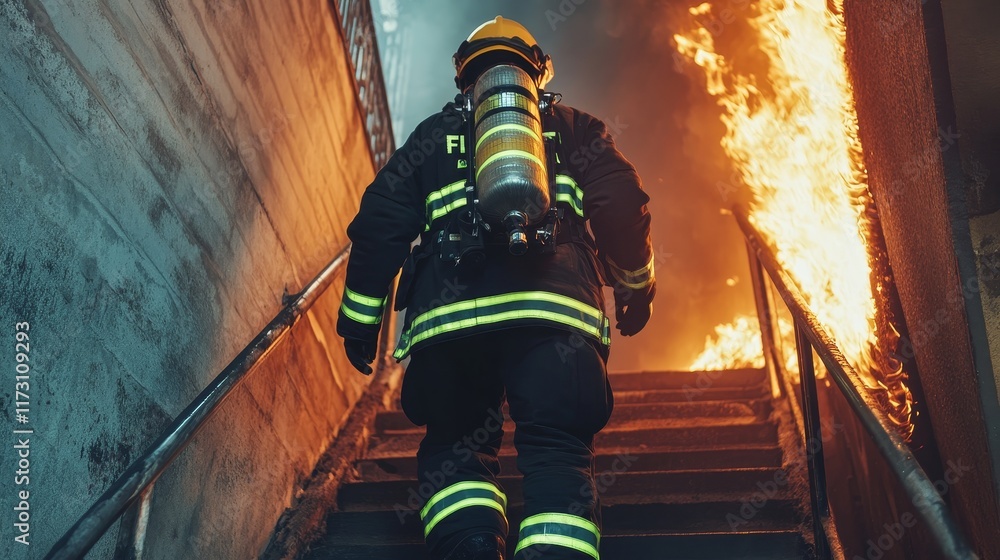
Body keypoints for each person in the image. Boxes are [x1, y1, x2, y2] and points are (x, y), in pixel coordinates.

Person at [337, 16, 654, 560]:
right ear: (539, 71)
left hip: (450, 326)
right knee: (557, 450)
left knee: (458, 451)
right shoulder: (577, 128)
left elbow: (379, 225)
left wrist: (361, 321)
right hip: (555, 323)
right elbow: (623, 208)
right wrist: (634, 287)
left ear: (464, 77)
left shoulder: (432, 138)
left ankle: (474, 547)